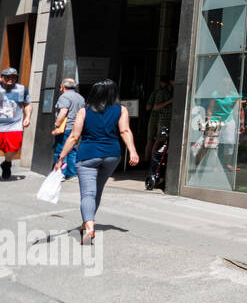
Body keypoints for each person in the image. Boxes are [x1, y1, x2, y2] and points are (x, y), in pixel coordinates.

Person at [56, 79, 140, 244]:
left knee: (88, 193)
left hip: (88, 155)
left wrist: (61, 156)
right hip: (112, 155)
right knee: (97, 190)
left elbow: (74, 136)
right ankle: (86, 222)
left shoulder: (84, 111)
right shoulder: (121, 110)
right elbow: (124, 130)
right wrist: (133, 151)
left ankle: (89, 228)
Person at [0, 66, 31, 181]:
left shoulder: (22, 89)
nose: (11, 79)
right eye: (8, 77)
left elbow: (27, 104)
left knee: (13, 149)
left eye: (13, 77)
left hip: (14, 125)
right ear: (1, 77)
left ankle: (7, 164)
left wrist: (27, 117)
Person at [51, 78, 85, 181]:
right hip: (77, 128)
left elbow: (63, 112)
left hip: (65, 128)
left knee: (61, 150)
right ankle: (72, 173)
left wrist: (57, 125)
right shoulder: (80, 97)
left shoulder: (64, 96)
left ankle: (60, 173)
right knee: (72, 150)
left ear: (62, 87)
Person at [144, 76, 174, 158]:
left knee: (152, 141)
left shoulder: (157, 92)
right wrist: (169, 101)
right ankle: (152, 162)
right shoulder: (162, 92)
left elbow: (149, 107)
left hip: (156, 118)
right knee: (158, 141)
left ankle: (149, 161)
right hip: (161, 119)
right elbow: (153, 107)